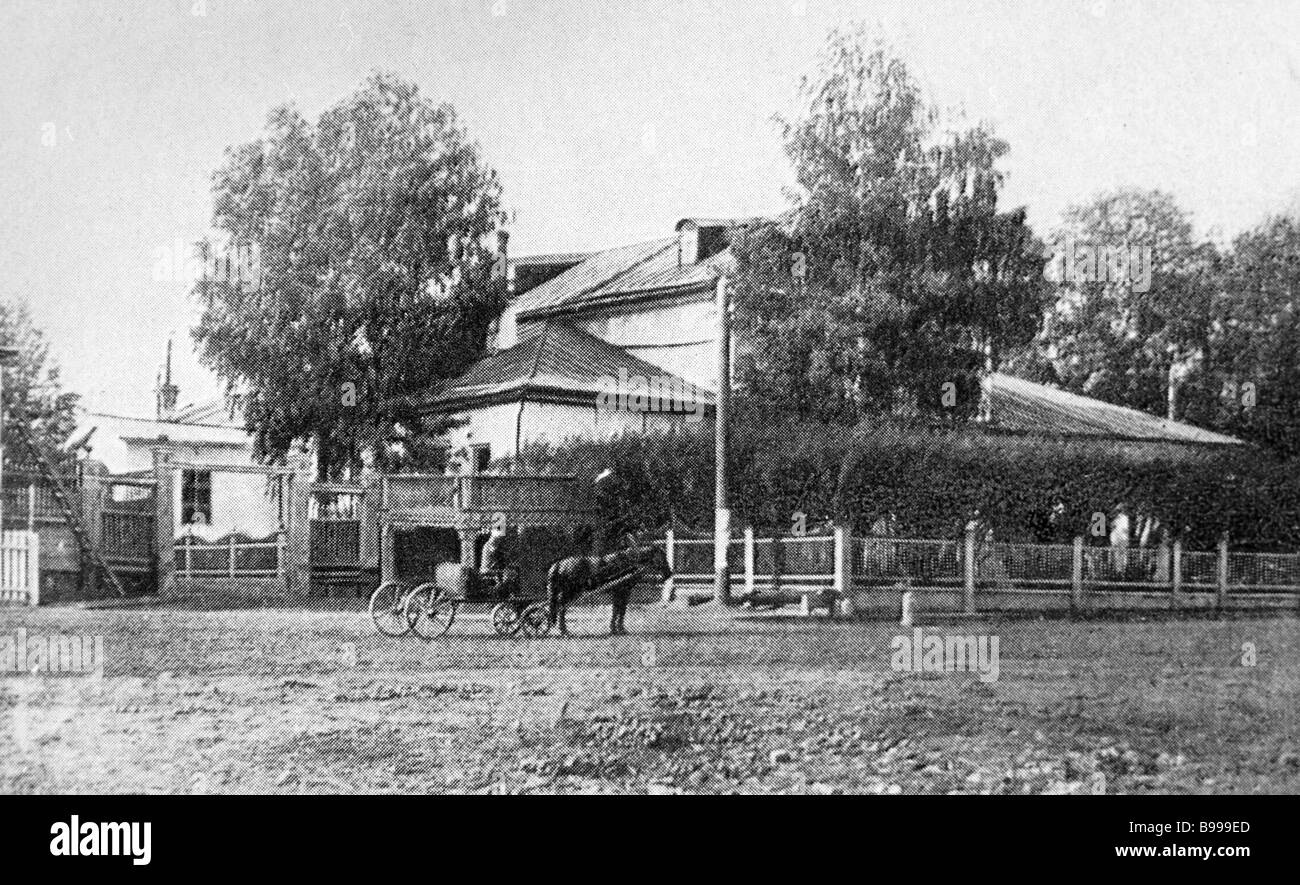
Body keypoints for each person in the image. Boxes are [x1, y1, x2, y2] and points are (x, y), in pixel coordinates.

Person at [480, 524, 520, 600]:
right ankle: (511, 595)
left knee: (511, 572)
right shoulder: (491, 544)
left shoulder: (491, 543)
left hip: (491, 569)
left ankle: (510, 594)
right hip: (489, 570)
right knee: (511, 573)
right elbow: (498, 557)